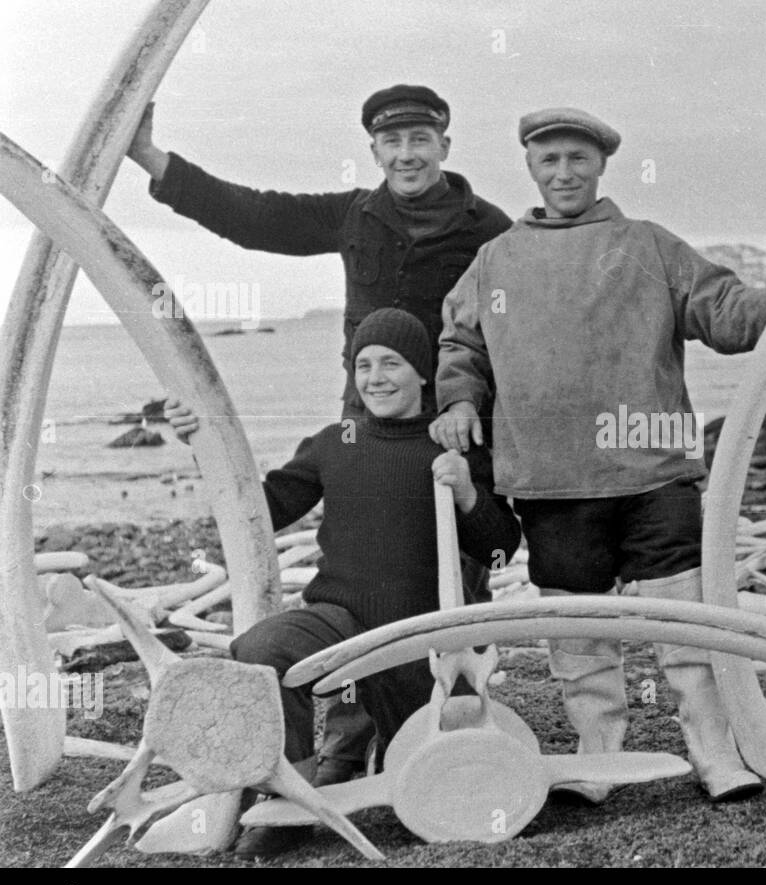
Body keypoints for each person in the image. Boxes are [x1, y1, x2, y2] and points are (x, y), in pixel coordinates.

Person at [434, 108, 766, 803]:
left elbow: (727, 312)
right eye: (549, 160)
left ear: (601, 164)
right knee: (579, 630)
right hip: (552, 481)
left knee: (686, 624)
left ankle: (714, 751)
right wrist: (457, 401)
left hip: (655, 473)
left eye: (577, 158)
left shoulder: (650, 246)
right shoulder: (496, 260)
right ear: (531, 168)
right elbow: (461, 345)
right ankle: (598, 753)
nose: (564, 172)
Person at [130, 85, 512, 782]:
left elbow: (521, 327)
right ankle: (339, 742)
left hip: (454, 419)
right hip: (365, 424)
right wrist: (153, 160)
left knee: (448, 579)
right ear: (374, 151)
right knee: (361, 569)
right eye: (391, 142)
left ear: (445, 146)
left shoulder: (489, 228)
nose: (406, 154)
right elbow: (258, 217)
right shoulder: (353, 215)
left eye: (420, 139)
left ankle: (442, 731)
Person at [167, 308, 520, 858]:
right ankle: (288, 801)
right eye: (364, 364)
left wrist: (469, 495)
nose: (375, 377)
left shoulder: (452, 448)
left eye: (391, 363)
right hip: (341, 622)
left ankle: (371, 753)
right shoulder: (335, 442)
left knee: (432, 787)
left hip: (422, 638)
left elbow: (501, 550)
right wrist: (204, 446)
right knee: (261, 650)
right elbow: (258, 508)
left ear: (424, 372)